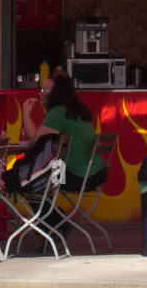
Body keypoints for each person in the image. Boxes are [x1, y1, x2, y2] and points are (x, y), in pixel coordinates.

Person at [21, 72, 107, 201]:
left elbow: (35, 143)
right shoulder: (75, 110)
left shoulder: (59, 112)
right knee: (36, 177)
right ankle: (52, 219)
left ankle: (52, 219)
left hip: (79, 176)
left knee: (26, 178)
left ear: (57, 93)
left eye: (45, 90)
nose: (41, 93)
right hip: (98, 172)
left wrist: (26, 113)